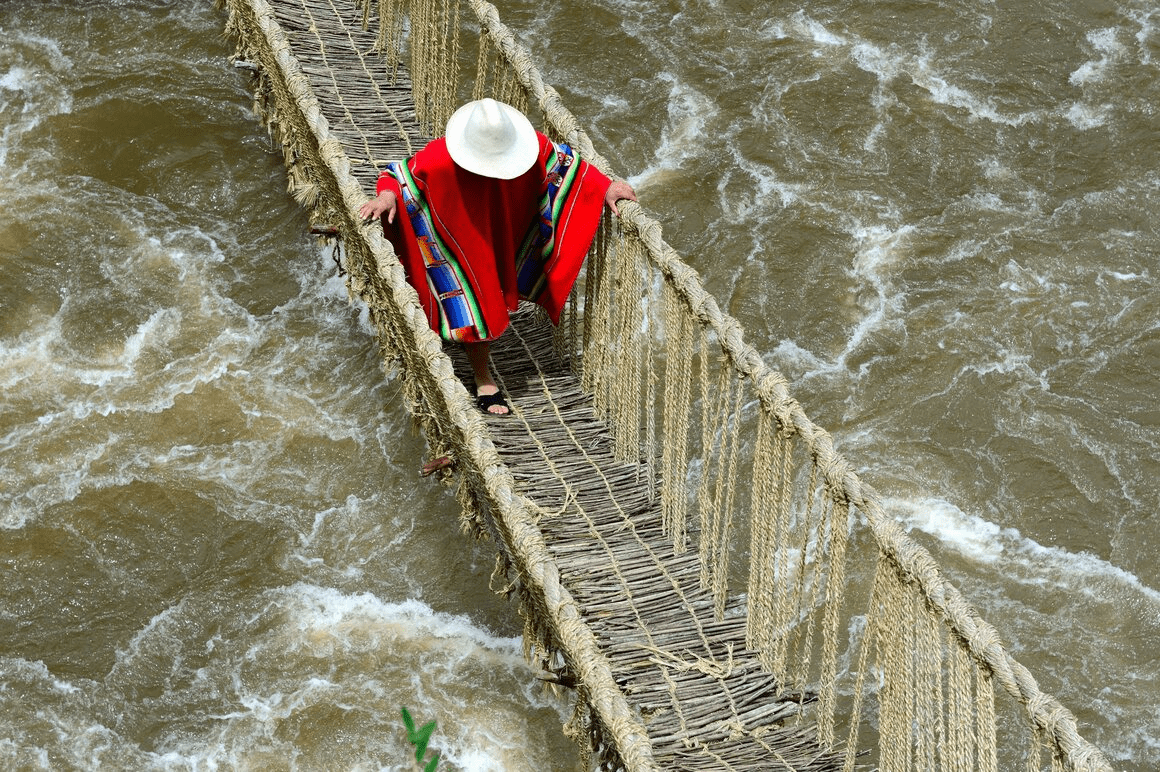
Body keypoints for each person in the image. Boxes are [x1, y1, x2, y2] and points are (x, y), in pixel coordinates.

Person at [358, 98, 637, 415]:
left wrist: (604, 188)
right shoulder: (438, 158)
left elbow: (563, 164)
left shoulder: (531, 148)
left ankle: (472, 349)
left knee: (487, 289)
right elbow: (399, 176)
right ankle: (483, 377)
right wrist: (385, 197)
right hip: (457, 228)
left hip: (502, 223)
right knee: (477, 298)